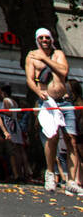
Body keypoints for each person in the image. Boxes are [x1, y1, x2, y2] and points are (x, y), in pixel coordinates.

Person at [25, 28, 82, 196]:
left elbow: (64, 72)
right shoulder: (32, 56)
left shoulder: (58, 55)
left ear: (51, 39)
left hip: (65, 101)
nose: (44, 40)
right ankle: (50, 173)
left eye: (47, 37)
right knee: (52, 137)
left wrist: (45, 59)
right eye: (41, 37)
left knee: (71, 139)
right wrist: (37, 91)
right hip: (47, 101)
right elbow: (29, 78)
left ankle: (71, 181)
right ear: (37, 40)